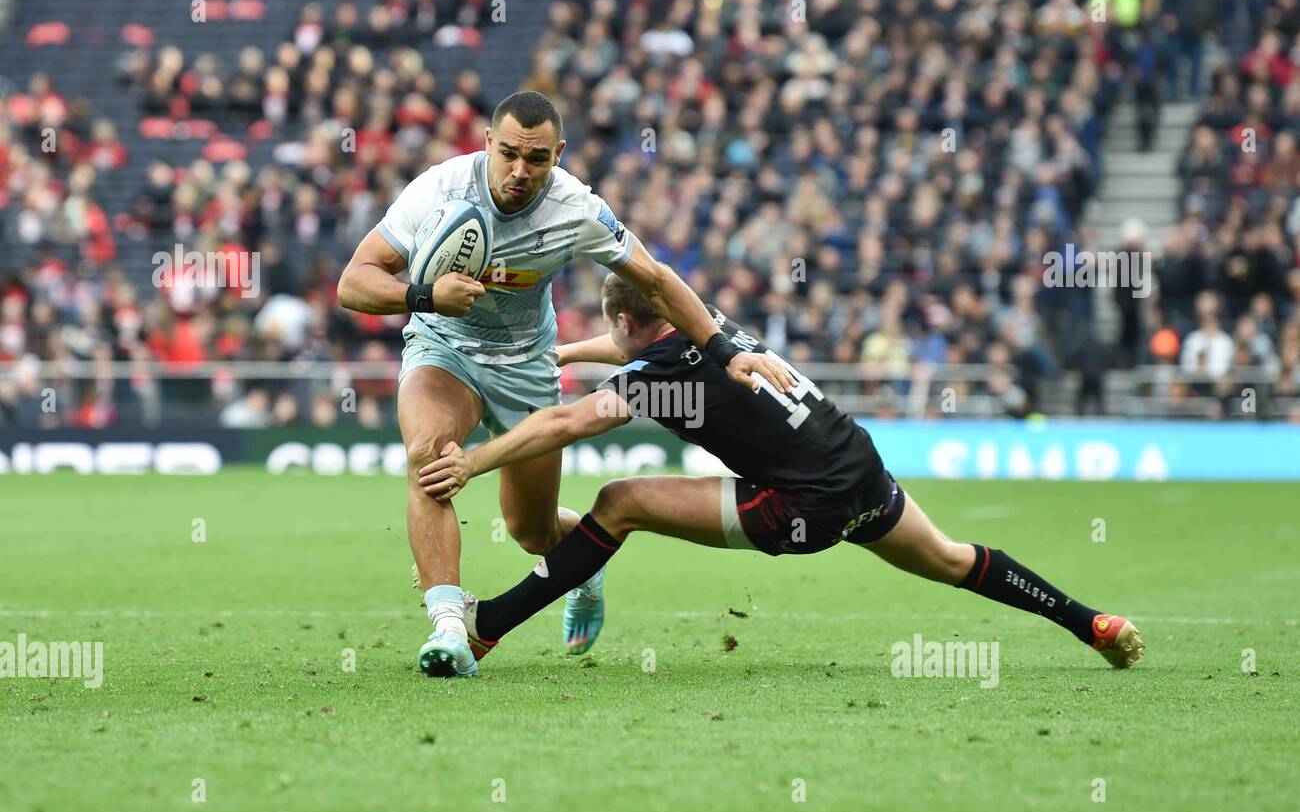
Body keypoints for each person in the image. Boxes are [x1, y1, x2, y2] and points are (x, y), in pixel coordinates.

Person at [418, 273, 1146, 673]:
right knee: (955, 560)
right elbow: (633, 346)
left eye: (612, 330)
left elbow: (566, 423)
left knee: (620, 501)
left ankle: (486, 627)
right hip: (857, 466)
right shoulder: (712, 329)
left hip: (800, 505)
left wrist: (474, 460)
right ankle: (1091, 624)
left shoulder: (657, 370)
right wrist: (568, 354)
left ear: (627, 323)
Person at [337, 91, 793, 677]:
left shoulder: (576, 209)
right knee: (430, 455)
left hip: (527, 365)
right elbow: (354, 282)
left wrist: (723, 350)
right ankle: (450, 628)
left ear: (559, 154)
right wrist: (424, 296)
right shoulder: (438, 190)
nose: (520, 171)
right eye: (508, 153)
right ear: (487, 142)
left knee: (532, 531)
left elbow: (655, 281)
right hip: (444, 349)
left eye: (537, 159)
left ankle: (583, 567)